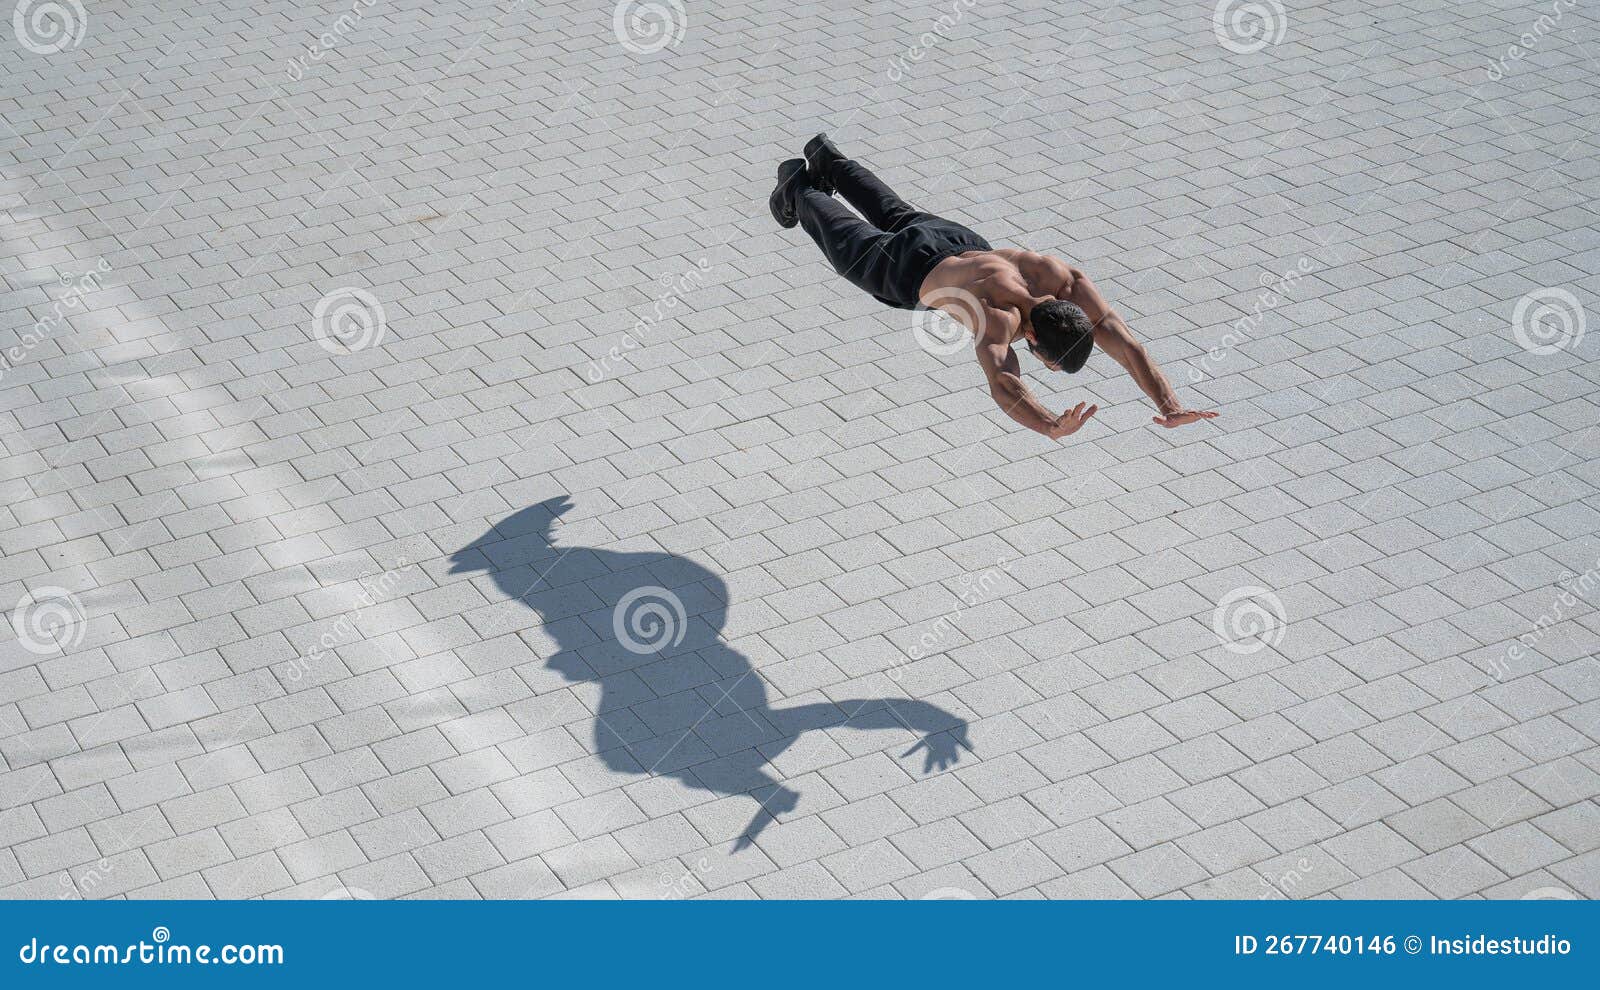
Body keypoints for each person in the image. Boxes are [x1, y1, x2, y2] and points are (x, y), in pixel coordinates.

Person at [771, 135, 1219, 440]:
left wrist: (1170, 402)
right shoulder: (997, 318)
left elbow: (1126, 345)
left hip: (959, 243)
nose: (1044, 367)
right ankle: (797, 185)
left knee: (896, 211)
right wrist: (1048, 425)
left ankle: (830, 160)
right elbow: (1005, 384)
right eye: (1047, 361)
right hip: (905, 271)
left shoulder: (1061, 278)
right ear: (1035, 337)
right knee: (843, 237)